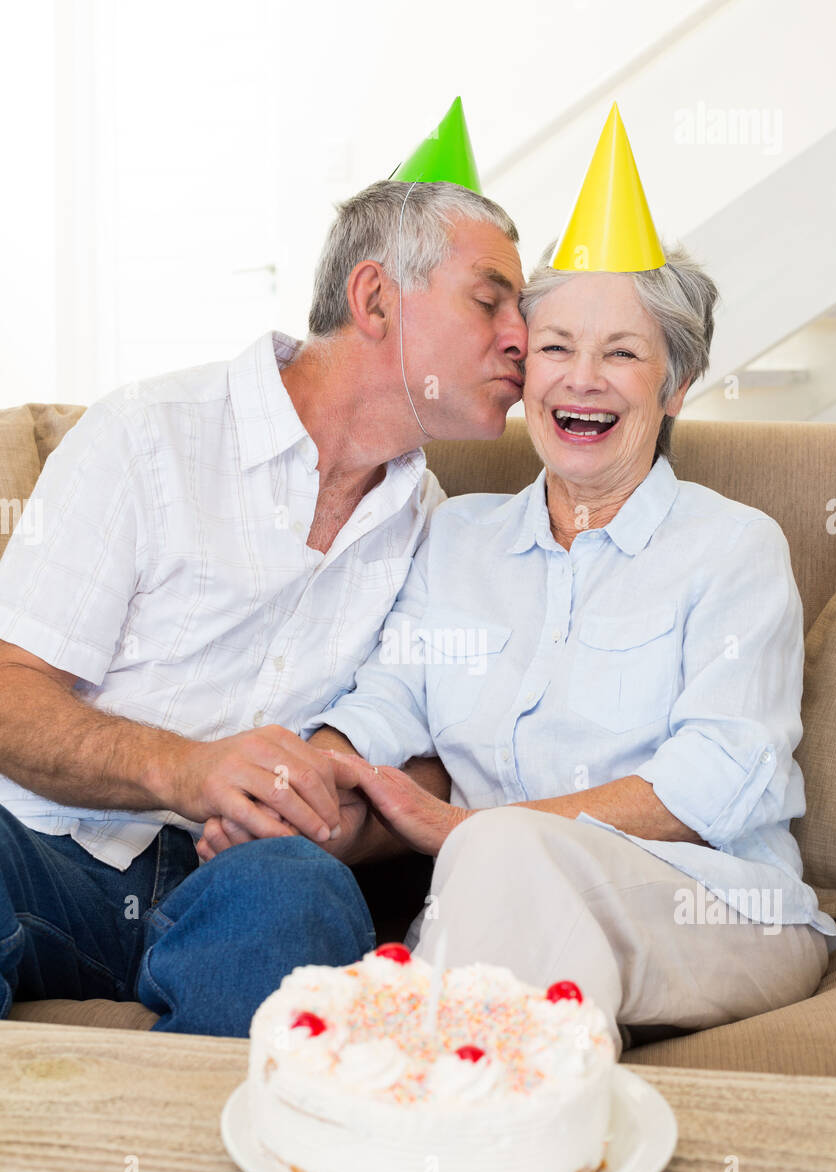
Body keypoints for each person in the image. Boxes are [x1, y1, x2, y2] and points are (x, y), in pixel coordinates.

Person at [199, 106, 836, 1055]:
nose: (581, 380)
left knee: (498, 857)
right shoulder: (456, 537)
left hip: (721, 908)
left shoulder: (733, 549)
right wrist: (311, 780)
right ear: (522, 369)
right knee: (490, 893)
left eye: (622, 353)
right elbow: (390, 701)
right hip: (496, 901)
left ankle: (468, 1120)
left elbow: (718, 781)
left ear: (675, 388)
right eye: (555, 349)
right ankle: (518, 1129)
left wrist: (476, 827)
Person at [0, 106, 527, 1035]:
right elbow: (10, 693)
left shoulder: (435, 526)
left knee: (303, 893)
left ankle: (210, 1166)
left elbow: (429, 762)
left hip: (239, 881)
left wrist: (331, 819)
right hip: (44, 846)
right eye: (491, 302)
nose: (524, 337)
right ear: (374, 301)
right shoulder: (146, 434)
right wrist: (187, 769)